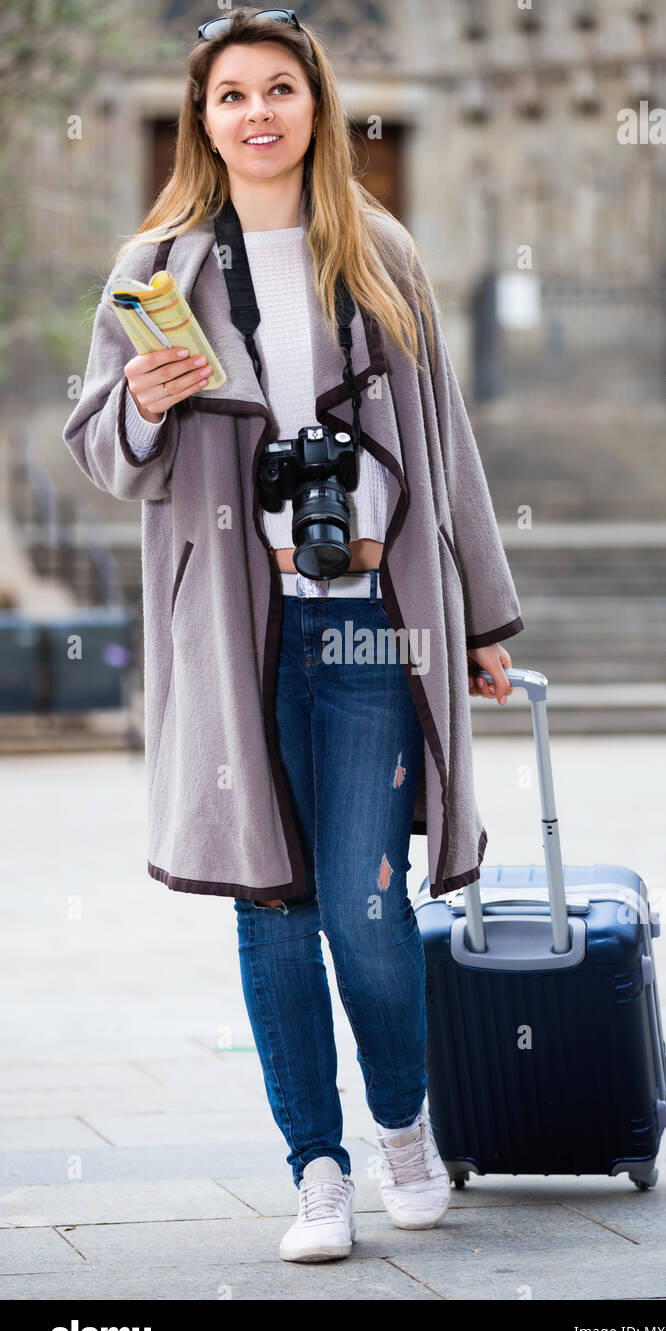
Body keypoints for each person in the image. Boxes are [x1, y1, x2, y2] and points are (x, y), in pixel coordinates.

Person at [62, 7, 525, 1264]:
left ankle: (402, 1126)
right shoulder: (153, 264)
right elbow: (104, 454)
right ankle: (315, 1170)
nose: (256, 113)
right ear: (200, 118)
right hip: (233, 628)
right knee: (271, 900)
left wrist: (482, 614)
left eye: (280, 89)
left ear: (316, 105)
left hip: (372, 619)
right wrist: (147, 408)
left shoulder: (377, 249)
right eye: (230, 96)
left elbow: (448, 445)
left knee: (368, 907)